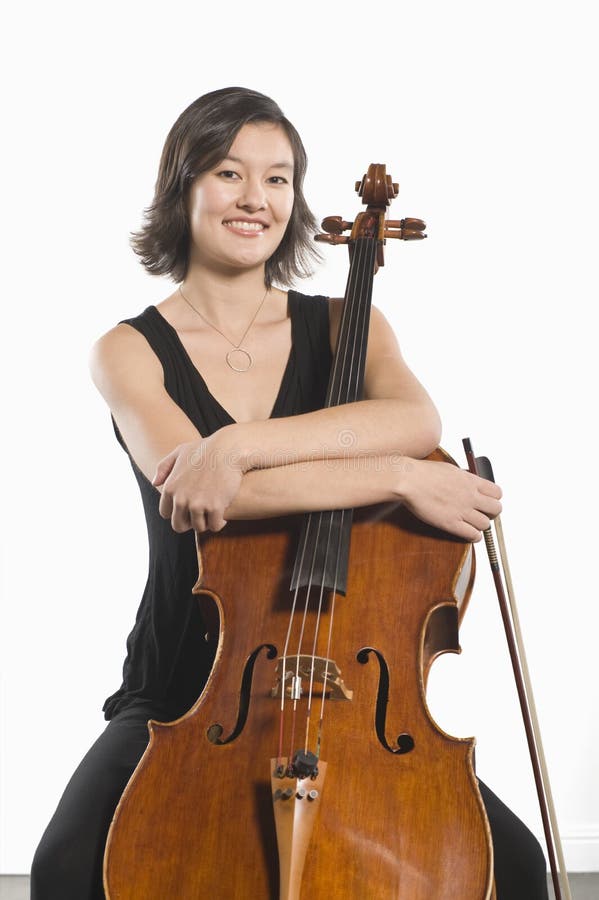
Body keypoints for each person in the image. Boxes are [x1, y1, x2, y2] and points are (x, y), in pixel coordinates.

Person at [30, 86, 548, 899]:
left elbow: (414, 419)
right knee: (65, 870)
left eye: (277, 179)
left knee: (516, 872)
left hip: (356, 695)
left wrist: (235, 446)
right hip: (188, 685)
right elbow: (199, 495)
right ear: (182, 188)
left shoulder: (351, 325)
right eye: (228, 172)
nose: (255, 199)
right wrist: (397, 476)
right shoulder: (126, 350)